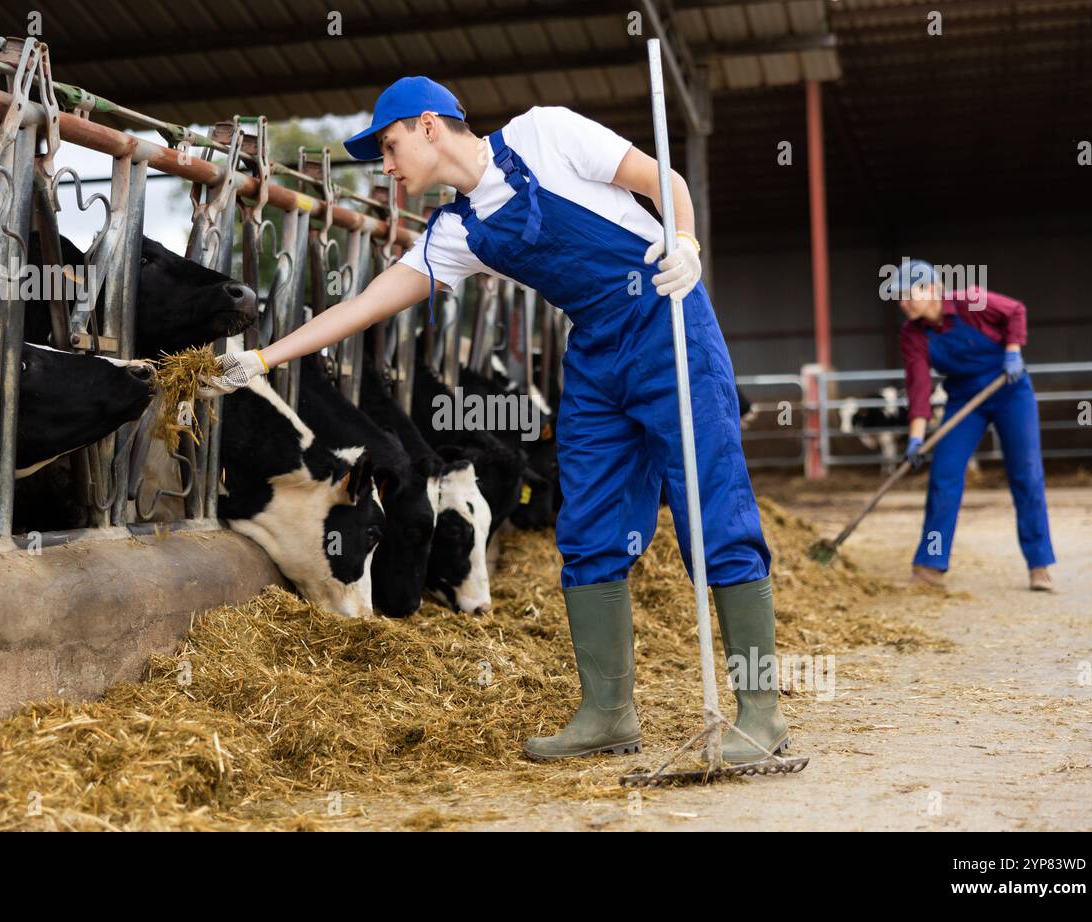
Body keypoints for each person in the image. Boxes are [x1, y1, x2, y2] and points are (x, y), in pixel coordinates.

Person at [202, 76, 789, 763]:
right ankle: (608, 713)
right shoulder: (456, 230)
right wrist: (266, 357)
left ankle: (761, 716)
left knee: (711, 507)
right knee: (590, 524)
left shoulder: (547, 133)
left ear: (428, 126)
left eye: (388, 148)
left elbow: (665, 180)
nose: (386, 167)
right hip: (597, 353)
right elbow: (366, 303)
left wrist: (683, 242)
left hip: (668, 320)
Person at [888, 260, 1056, 591]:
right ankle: (930, 566)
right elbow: (919, 387)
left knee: (1026, 474)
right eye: (899, 297)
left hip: (1009, 389)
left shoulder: (970, 300)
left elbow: (1015, 311)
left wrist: (1012, 351)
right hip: (964, 400)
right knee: (944, 476)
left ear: (933, 289)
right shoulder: (913, 334)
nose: (903, 303)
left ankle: (1039, 565)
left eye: (910, 295)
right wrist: (916, 439)